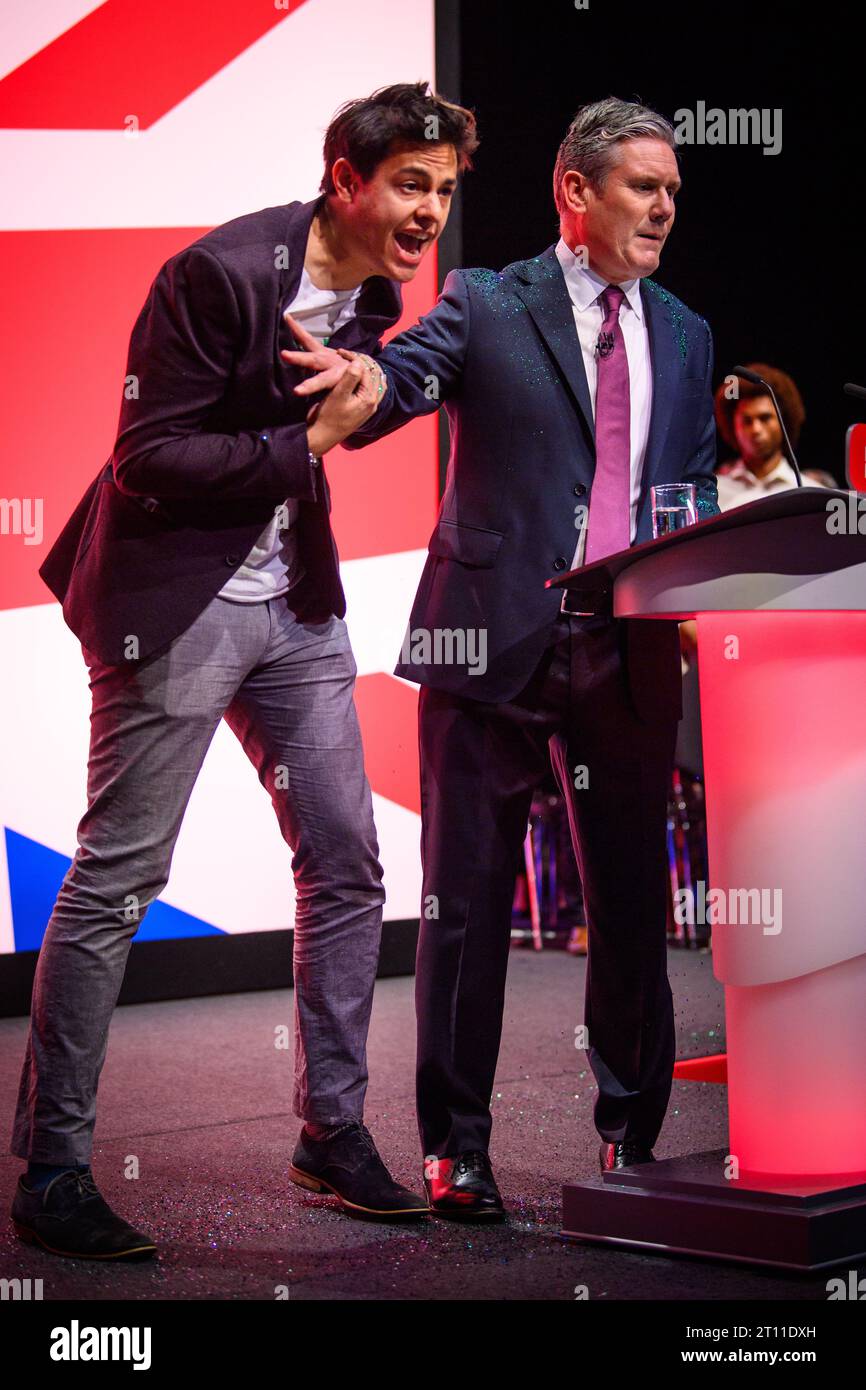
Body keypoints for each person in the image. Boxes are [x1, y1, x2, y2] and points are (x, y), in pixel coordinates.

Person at [10, 82, 478, 1260]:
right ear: (347, 179)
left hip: (295, 610)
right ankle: (54, 1165)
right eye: (411, 186)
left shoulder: (378, 287)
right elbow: (149, 455)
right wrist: (309, 440)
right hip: (175, 601)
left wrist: (364, 396)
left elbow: (343, 396)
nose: (429, 212)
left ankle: (328, 1126)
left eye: (444, 190)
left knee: (347, 860)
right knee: (118, 878)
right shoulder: (216, 273)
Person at [283, 96, 719, 1219]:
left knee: (629, 905)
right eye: (642, 186)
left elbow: (691, 491)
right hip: (487, 642)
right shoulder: (485, 300)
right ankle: (456, 1150)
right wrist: (360, 384)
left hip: (625, 653)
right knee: (464, 905)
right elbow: (402, 377)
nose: (663, 205)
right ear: (574, 192)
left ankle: (632, 1138)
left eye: (672, 189)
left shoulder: (683, 329)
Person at [714, 362, 835, 509]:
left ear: (783, 421)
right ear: (732, 426)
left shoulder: (812, 494)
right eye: (747, 421)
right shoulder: (714, 493)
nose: (756, 429)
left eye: (765, 418)